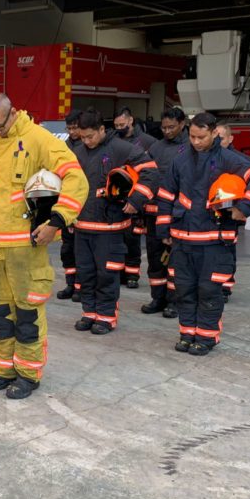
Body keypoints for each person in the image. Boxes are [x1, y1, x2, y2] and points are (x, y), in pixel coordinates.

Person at [0, 93, 88, 400]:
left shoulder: (39, 139)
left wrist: (57, 221)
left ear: (12, 114)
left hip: (27, 247)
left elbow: (76, 178)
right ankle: (5, 369)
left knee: (27, 314)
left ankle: (28, 373)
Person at [157, 112, 250, 356]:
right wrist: (163, 228)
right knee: (184, 290)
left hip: (214, 241)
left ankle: (206, 338)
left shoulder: (230, 159)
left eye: (201, 137)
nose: (196, 142)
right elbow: (167, 194)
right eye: (192, 136)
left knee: (209, 291)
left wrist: (245, 207)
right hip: (182, 239)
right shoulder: (180, 161)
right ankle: (187, 333)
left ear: (214, 133)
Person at [72, 109, 157, 334]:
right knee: (86, 273)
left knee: (106, 274)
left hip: (109, 228)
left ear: (102, 129)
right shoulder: (78, 152)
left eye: (90, 136)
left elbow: (150, 172)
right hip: (82, 226)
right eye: (83, 137)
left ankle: (106, 317)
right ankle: (89, 313)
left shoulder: (121, 148)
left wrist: (136, 199)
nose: (87, 141)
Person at [140, 107, 190, 318]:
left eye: (171, 127)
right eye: (164, 127)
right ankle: (157, 297)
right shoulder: (156, 147)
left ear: (182, 124)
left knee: (176, 261)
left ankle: (174, 301)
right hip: (153, 213)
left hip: (178, 215)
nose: (167, 131)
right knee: (154, 258)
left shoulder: (190, 147)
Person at [113, 107, 158, 289]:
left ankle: (132, 274)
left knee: (132, 239)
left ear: (131, 120)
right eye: (116, 125)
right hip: (117, 195)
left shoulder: (148, 142)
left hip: (137, 197)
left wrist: (141, 197)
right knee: (117, 238)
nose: (119, 128)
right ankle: (119, 272)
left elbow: (152, 171)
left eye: (122, 124)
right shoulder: (113, 140)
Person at [56, 110, 83, 301]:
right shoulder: (63, 147)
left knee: (82, 251)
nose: (73, 132)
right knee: (67, 250)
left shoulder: (88, 147)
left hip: (82, 205)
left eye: (76, 128)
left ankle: (81, 287)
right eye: (70, 128)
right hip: (65, 203)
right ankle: (70, 284)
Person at [214, 122, 239, 301]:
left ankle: (225, 287)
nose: (217, 141)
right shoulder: (209, 157)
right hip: (211, 212)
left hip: (229, 213)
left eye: (221, 138)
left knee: (227, 250)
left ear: (230, 139)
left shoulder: (237, 160)